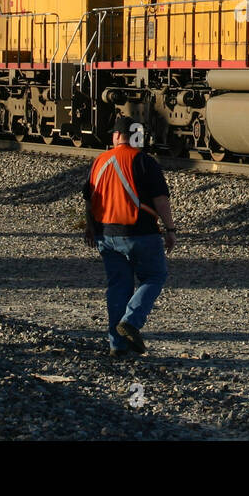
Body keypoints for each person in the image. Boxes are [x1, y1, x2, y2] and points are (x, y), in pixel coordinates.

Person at [83, 115, 176, 358]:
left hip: (106, 234)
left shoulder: (99, 161)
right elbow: (161, 200)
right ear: (138, 137)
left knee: (118, 286)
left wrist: (90, 228)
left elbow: (89, 198)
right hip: (140, 233)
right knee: (155, 275)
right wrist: (170, 229)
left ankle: (117, 345)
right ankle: (131, 322)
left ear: (116, 136)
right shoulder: (145, 162)